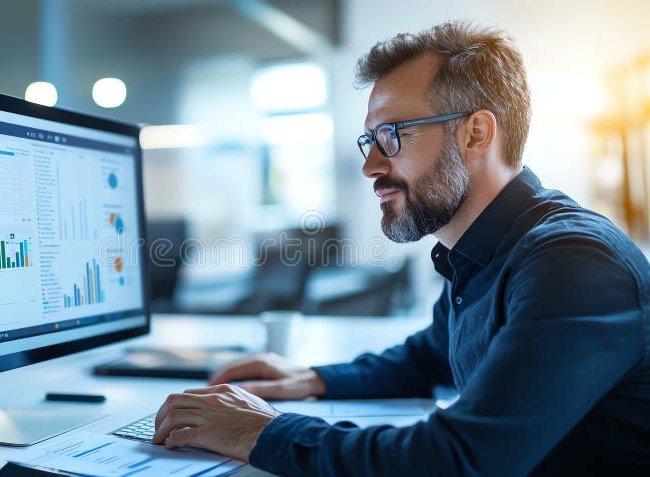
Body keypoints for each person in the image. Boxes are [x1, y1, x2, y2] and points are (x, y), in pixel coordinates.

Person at [152, 21, 650, 476]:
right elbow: (430, 356)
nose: (370, 165)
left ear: (475, 133)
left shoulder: (573, 262)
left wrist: (261, 431)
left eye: (391, 135)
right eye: (369, 138)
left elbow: (458, 460)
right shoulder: (482, 253)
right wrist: (310, 378)